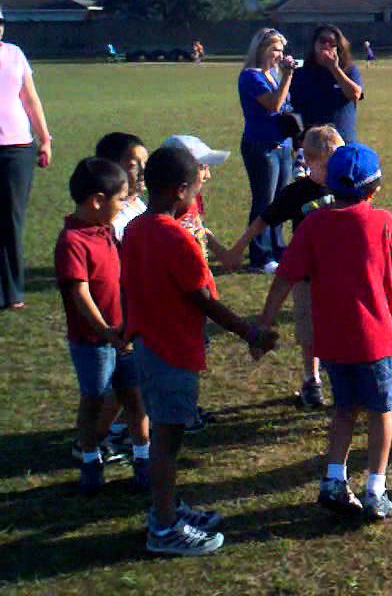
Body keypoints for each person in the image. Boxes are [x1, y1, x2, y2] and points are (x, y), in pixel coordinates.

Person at [122, 146, 277, 556]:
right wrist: (251, 333)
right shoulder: (175, 238)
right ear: (179, 191)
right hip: (170, 350)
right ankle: (164, 526)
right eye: (193, 189)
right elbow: (204, 300)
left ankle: (168, 509)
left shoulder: (136, 228)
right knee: (168, 443)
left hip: (149, 346)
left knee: (166, 438)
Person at [259, 143, 392, 521]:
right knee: (381, 413)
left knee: (345, 410)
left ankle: (333, 480)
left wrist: (264, 323)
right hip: (375, 341)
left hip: (331, 342)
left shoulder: (313, 224)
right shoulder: (385, 223)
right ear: (374, 188)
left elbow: (284, 278)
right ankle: (375, 489)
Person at [223, 126, 344, 408]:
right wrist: (238, 248)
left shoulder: (345, 185)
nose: (333, 170)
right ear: (310, 161)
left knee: (339, 324)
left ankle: (341, 375)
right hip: (306, 274)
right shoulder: (298, 192)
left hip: (340, 271)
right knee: (308, 328)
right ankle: (311, 380)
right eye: (326, 165)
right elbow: (264, 220)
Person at [56, 158, 150, 494]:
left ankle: (143, 458)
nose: (125, 204)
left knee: (134, 398)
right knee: (94, 399)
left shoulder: (108, 232)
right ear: (97, 200)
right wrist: (105, 331)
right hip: (93, 342)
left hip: (123, 335)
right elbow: (80, 293)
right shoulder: (73, 241)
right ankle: (90, 458)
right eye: (121, 198)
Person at [0, 8, 53, 310]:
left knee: (11, 220)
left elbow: (30, 99)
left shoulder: (16, 55)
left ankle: (13, 291)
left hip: (18, 148)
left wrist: (45, 138)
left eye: (1, 23)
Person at [238, 28, 297, 273]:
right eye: (274, 49)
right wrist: (287, 77)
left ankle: (277, 247)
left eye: (282, 50)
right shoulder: (251, 77)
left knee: (282, 201)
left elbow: (287, 105)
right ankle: (260, 256)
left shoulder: (273, 74)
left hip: (283, 144)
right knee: (265, 201)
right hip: (261, 145)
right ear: (260, 49)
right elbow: (274, 105)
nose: (279, 55)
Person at [161, 135, 232, 268]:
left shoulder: (192, 197)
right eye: (202, 168)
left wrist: (221, 252)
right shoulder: (162, 209)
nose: (208, 175)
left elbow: (197, 225)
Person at [290, 25, 364, 146]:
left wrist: (334, 68)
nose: (326, 45)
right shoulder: (301, 73)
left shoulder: (349, 70)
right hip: (310, 142)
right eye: (322, 40)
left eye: (332, 43)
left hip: (341, 140)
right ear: (314, 44)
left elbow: (355, 94)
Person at [94, 133, 148, 241]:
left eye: (145, 163)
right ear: (111, 168)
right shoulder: (111, 219)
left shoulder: (136, 203)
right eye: (133, 165)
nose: (143, 171)